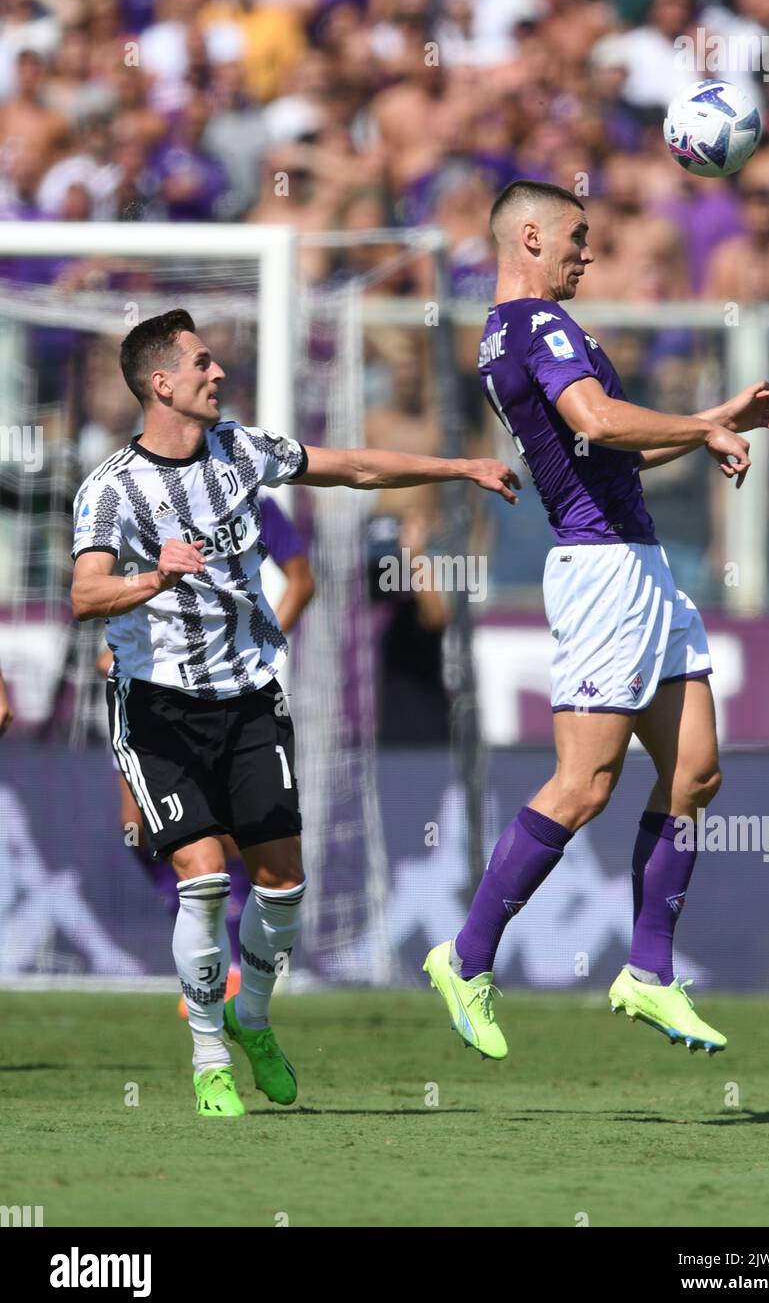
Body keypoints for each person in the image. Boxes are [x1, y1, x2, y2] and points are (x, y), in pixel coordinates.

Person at [70, 308, 519, 1117]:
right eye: (202, 364)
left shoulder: (241, 451)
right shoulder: (110, 488)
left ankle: (253, 1017)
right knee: (204, 881)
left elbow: (349, 466)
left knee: (282, 888)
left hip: (249, 701)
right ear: (161, 382)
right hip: (160, 708)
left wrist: (457, 468)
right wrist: (154, 580)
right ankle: (209, 1054)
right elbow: (84, 594)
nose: (218, 373)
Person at [424, 179, 769, 1060]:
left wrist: (711, 420)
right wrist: (701, 428)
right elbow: (595, 417)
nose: (587, 254)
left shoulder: (544, 332)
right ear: (529, 236)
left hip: (643, 565)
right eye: (577, 238)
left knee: (696, 773)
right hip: (602, 572)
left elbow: (610, 435)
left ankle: (649, 973)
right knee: (585, 784)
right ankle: (465, 956)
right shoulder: (534, 327)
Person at [96, 494, 316, 1016]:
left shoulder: (253, 500)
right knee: (137, 824)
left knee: (232, 834)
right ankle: (204, 934)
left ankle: (235, 965)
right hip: (151, 689)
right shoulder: (127, 499)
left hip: (235, 692)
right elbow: (100, 587)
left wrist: (253, 649)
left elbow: (301, 579)